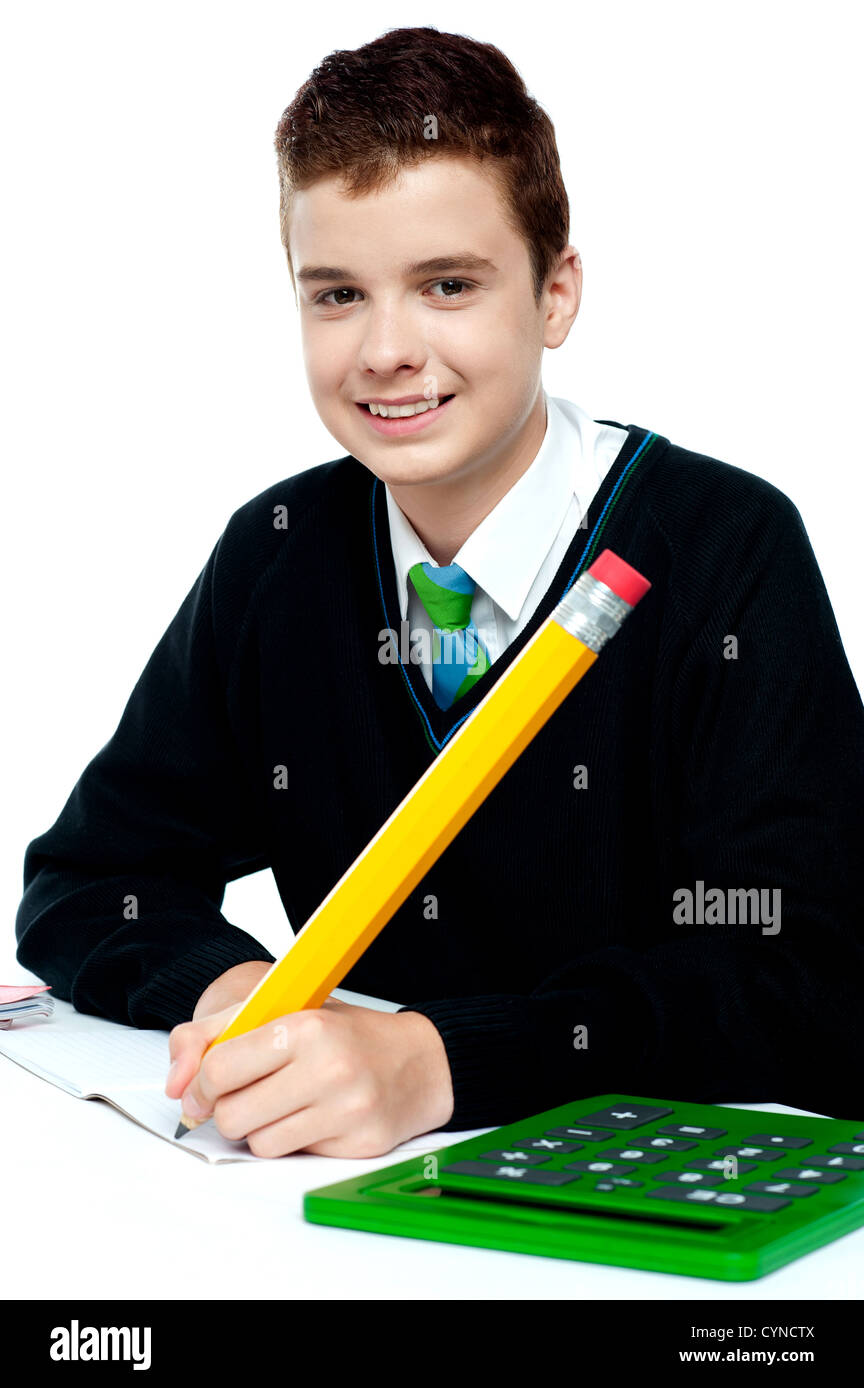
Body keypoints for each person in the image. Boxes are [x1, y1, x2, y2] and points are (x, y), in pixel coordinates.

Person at [15, 27, 864, 1158]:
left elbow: (805, 976)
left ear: (556, 294)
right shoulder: (279, 554)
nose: (385, 349)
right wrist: (232, 988)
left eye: (448, 285)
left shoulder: (723, 546)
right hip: (329, 1224)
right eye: (336, 295)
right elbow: (87, 877)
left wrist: (444, 1061)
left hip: (658, 1211)